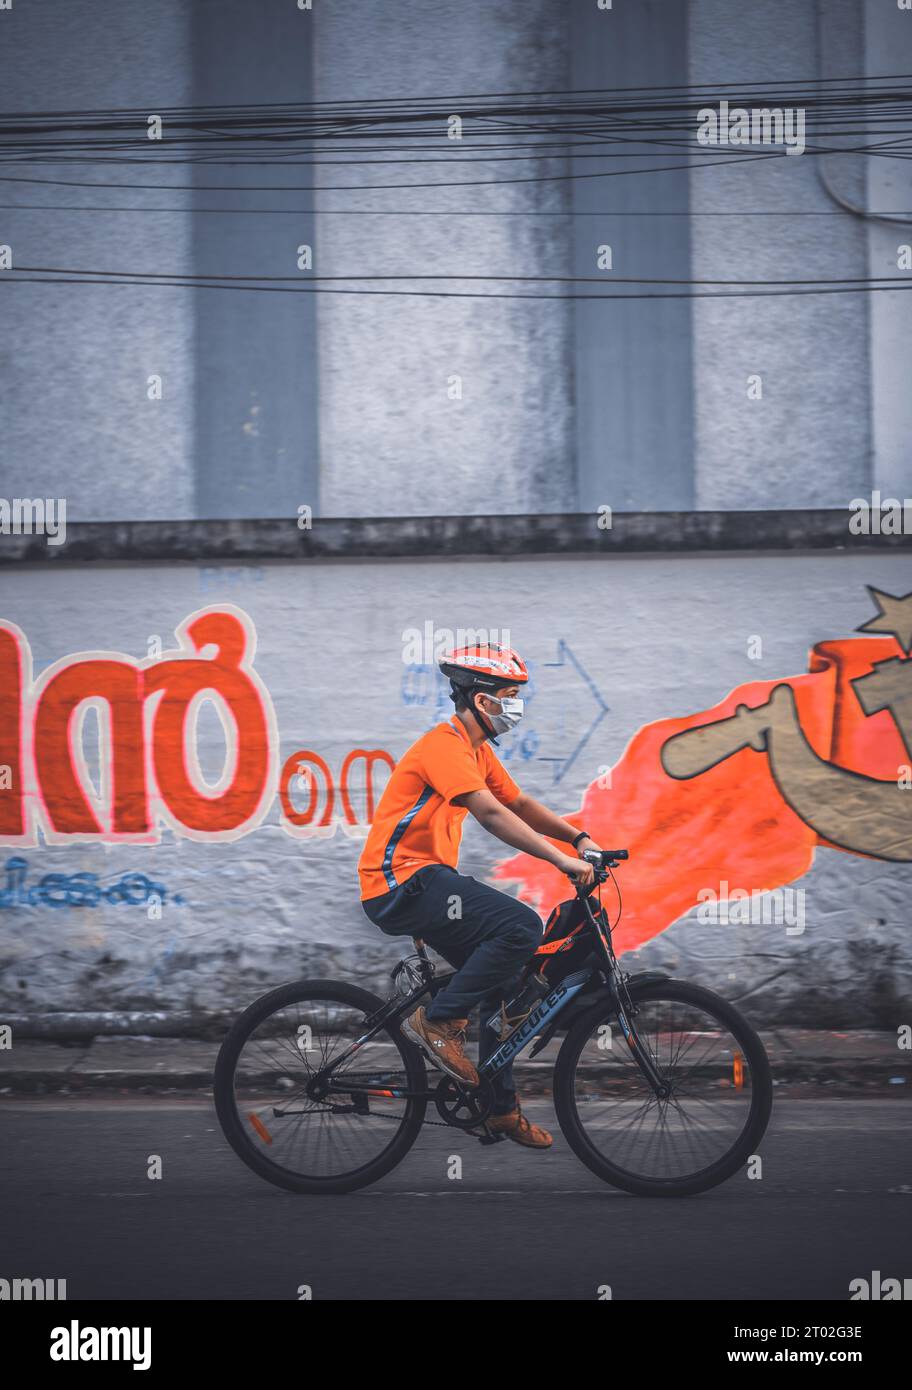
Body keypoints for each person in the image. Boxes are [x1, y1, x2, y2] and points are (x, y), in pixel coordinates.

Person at [359, 642, 601, 1149]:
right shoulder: (443, 746)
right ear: (481, 699)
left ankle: (498, 1108)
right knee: (520, 927)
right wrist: (559, 861)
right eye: (510, 694)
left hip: (424, 882)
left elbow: (520, 803)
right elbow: (491, 815)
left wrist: (576, 838)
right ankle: (439, 1020)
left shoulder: (476, 751)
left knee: (509, 987)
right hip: (401, 881)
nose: (516, 704)